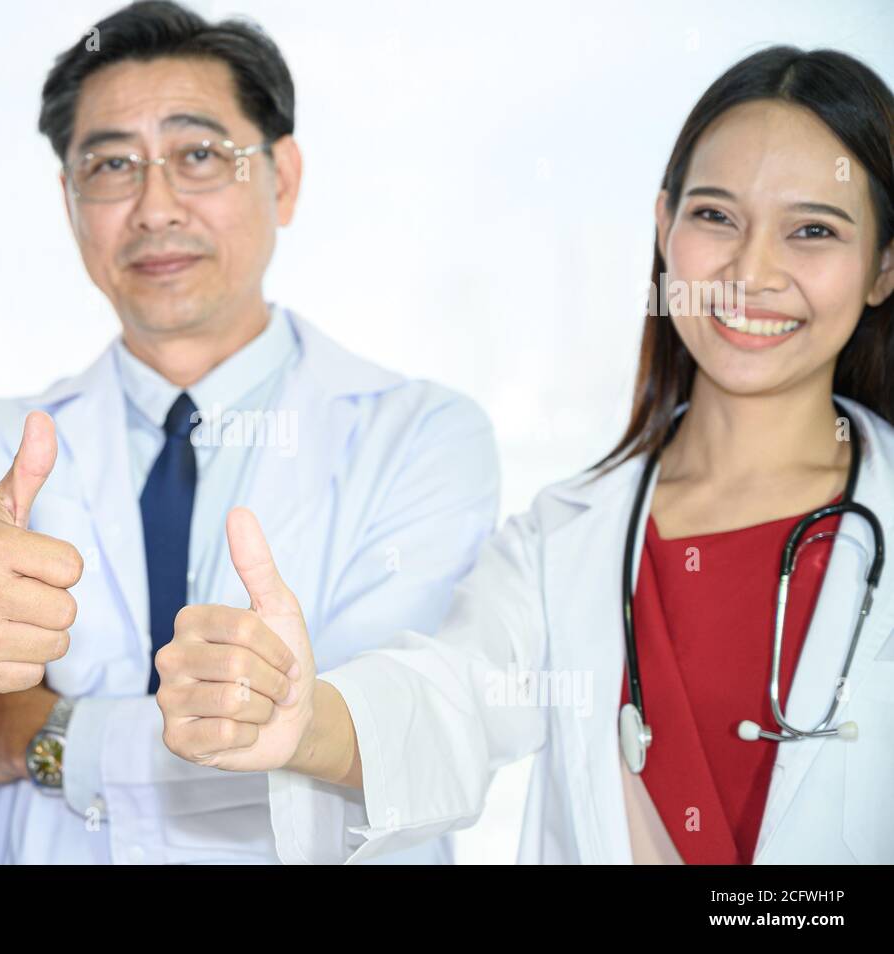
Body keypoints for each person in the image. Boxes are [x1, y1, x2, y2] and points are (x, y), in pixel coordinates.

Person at [155, 46, 894, 864]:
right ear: (664, 227)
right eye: (716, 216)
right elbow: (456, 700)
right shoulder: (562, 539)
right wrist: (307, 720)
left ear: (883, 267)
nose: (751, 271)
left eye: (814, 231)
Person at [0, 0, 499, 864]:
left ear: (283, 178)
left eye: (198, 155)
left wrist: (53, 737)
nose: (154, 206)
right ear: (70, 204)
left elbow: (392, 728)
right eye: (110, 165)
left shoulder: (423, 438)